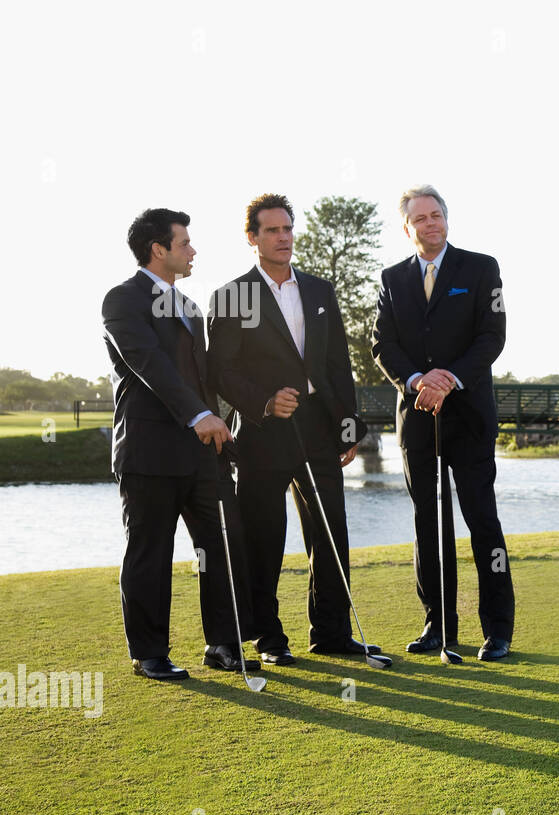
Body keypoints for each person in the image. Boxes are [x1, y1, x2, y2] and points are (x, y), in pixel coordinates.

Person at [207, 194, 372, 665]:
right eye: (272, 231)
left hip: (320, 428)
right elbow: (221, 371)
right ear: (252, 238)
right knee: (265, 537)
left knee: (331, 532)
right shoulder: (233, 295)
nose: (283, 238)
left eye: (287, 229)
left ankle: (332, 633)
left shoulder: (320, 291)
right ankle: (269, 639)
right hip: (262, 433)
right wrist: (263, 401)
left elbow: (338, 363)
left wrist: (348, 425)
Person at [102, 208, 257, 680]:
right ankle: (149, 653)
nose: (193, 251)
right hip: (148, 453)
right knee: (151, 551)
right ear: (159, 249)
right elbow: (152, 367)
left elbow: (206, 377)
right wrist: (198, 415)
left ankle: (224, 644)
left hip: (203, 454)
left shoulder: (191, 309)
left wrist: (251, 406)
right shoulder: (122, 300)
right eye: (185, 243)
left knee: (223, 543)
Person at [372, 185, 514, 661]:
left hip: (470, 415)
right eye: (421, 218)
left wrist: (448, 378)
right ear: (407, 227)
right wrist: (416, 381)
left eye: (438, 215)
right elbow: (383, 345)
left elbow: (491, 338)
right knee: (426, 523)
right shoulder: (392, 279)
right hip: (416, 418)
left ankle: (498, 629)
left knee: (482, 522)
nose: (431, 223)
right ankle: (438, 625)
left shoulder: (481, 268)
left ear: (446, 219)